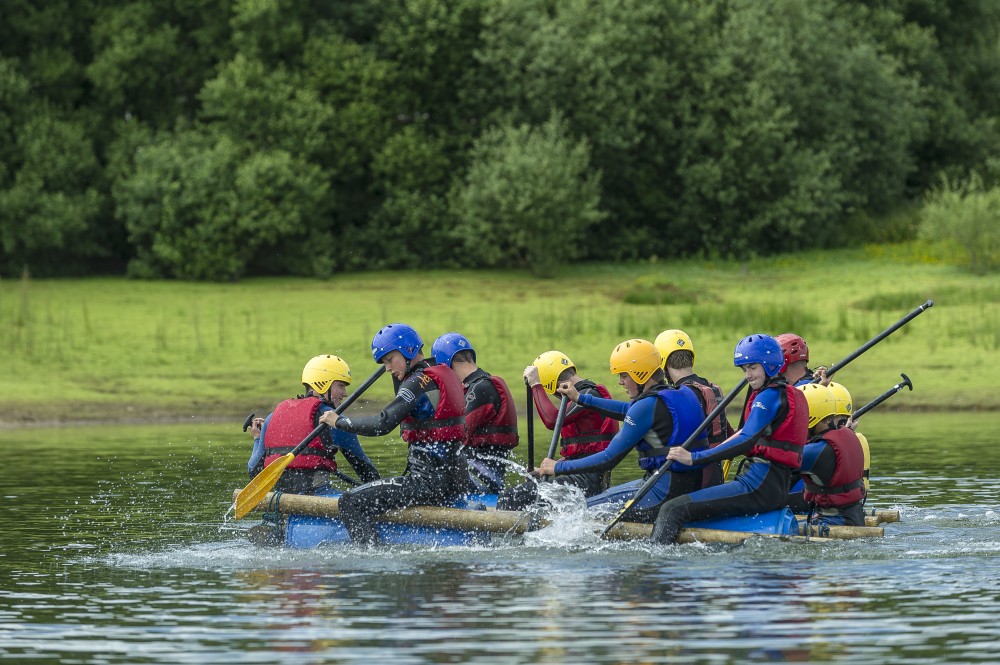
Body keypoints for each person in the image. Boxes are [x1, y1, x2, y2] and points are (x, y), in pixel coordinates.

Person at [317, 323, 471, 545]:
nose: (388, 367)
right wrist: (398, 369)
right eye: (384, 363)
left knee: (350, 501)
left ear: (407, 350)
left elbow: (383, 423)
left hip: (428, 485)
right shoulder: (437, 373)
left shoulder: (417, 382)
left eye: (389, 360)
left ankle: (371, 557)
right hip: (455, 481)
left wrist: (339, 421)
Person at [652, 333, 809, 544]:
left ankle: (656, 567)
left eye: (753, 367)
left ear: (770, 364)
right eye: (744, 370)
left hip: (757, 486)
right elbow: (744, 434)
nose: (748, 375)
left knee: (672, 509)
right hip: (771, 486)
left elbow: (746, 439)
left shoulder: (769, 396)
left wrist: (694, 457)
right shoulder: (787, 394)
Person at [534, 339, 708, 523]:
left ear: (640, 374)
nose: (620, 382)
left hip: (662, 492)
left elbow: (608, 458)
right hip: (682, 485)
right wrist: (580, 398)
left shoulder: (647, 405)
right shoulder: (680, 393)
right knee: (605, 496)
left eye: (624, 376)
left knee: (581, 511)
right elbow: (627, 409)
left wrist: (557, 467)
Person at [497, 350, 619, 510]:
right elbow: (581, 453)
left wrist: (535, 384)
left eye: (554, 394)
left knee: (511, 497)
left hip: (585, 484)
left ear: (553, 385)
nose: (558, 398)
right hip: (577, 479)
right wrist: (543, 471)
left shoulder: (589, 395)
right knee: (527, 497)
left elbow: (552, 420)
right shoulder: (584, 395)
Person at [247, 355, 380, 494]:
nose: (345, 393)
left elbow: (253, 471)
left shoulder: (271, 418)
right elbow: (368, 474)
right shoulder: (335, 422)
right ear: (323, 384)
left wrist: (257, 439)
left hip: (282, 505)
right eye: (341, 386)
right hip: (319, 503)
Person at [431, 332, 518, 493]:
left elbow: (456, 435)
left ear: (445, 365)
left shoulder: (481, 389)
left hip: (483, 480)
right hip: (477, 475)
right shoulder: (476, 386)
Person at [654, 328, 732, 487]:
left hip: (694, 478)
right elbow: (728, 433)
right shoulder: (713, 389)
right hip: (716, 475)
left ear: (663, 362)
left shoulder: (680, 395)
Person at [786, 383, 867, 526]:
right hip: (853, 517)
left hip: (831, 522)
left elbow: (777, 470)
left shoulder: (815, 451)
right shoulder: (848, 434)